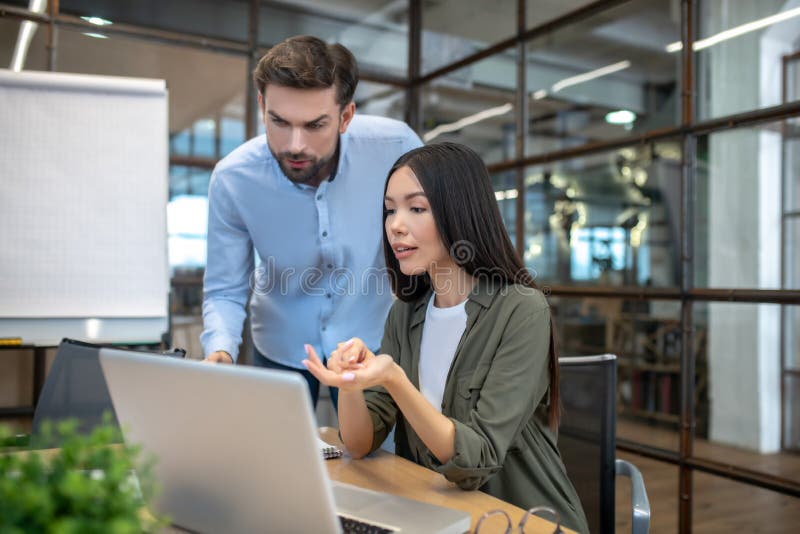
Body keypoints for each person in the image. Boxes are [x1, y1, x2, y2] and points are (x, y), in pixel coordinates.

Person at [302, 143, 589, 533]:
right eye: (390, 209)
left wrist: (395, 380)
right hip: (433, 513)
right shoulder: (406, 312)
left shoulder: (521, 309)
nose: (395, 225)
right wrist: (350, 383)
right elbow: (357, 444)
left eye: (416, 208)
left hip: (516, 518)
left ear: (460, 212)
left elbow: (477, 460)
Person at [201, 35, 422, 408]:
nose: (295, 145)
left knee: (380, 462)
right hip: (279, 344)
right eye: (280, 122)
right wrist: (220, 351)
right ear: (262, 106)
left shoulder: (397, 148)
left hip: (371, 341)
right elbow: (225, 289)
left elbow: (436, 240)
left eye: (315, 125)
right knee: (277, 459)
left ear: (346, 116)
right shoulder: (233, 179)